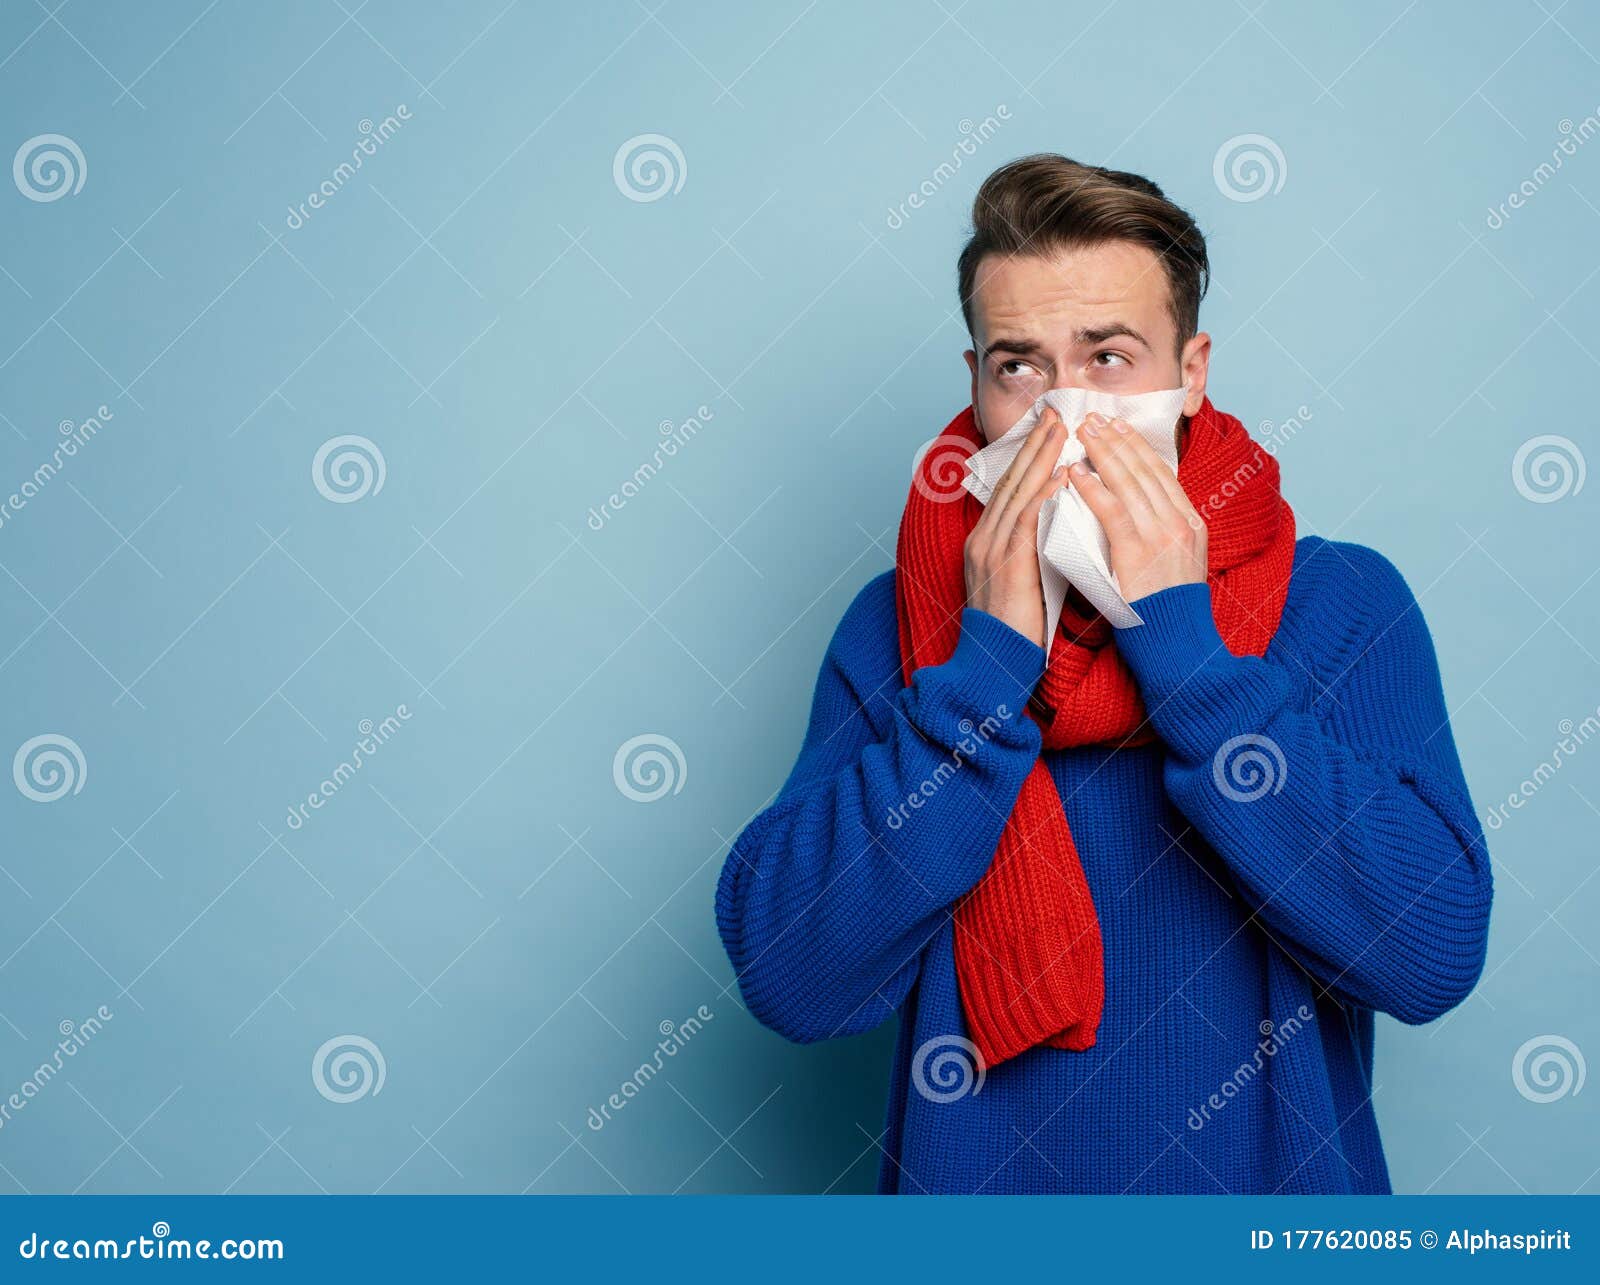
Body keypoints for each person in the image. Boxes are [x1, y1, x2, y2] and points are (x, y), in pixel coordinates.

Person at [713, 154, 1493, 1194]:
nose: (1062, 412)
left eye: (1109, 358)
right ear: (977, 385)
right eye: (1019, 366)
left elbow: (1426, 955)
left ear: (1193, 368)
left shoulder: (1340, 604)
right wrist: (980, 673)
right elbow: (795, 978)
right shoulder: (902, 623)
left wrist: (1189, 658)